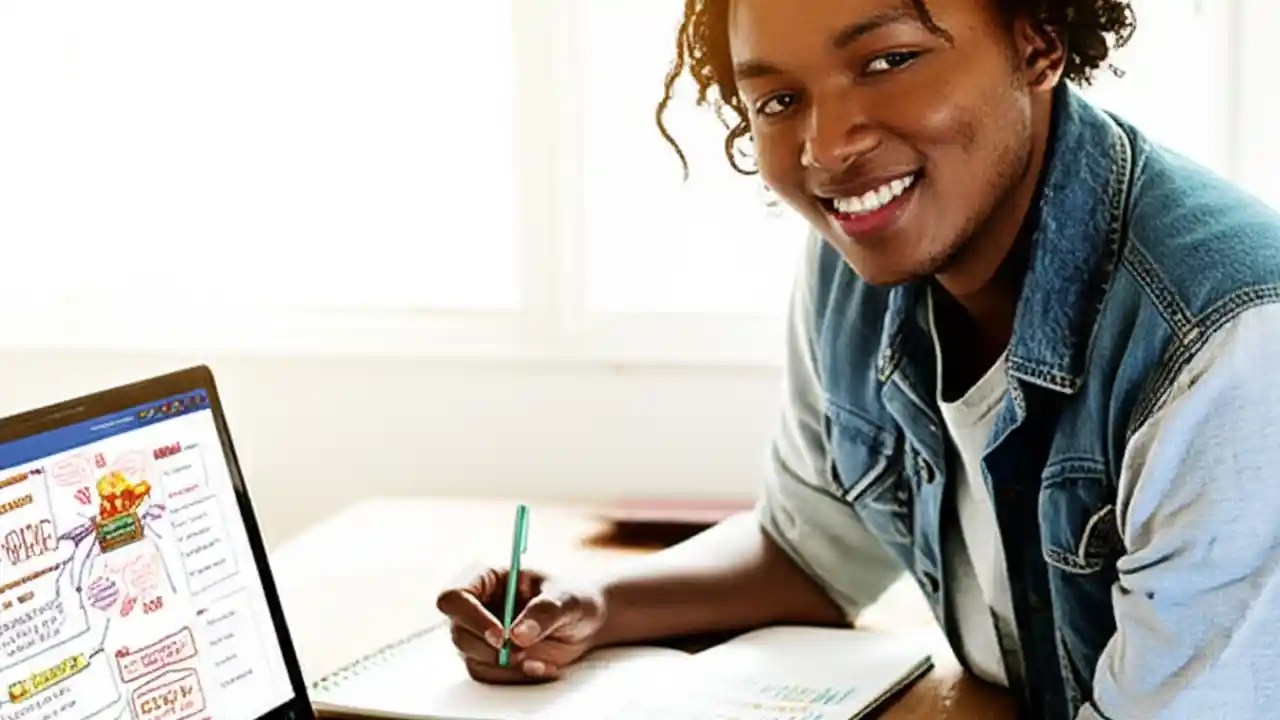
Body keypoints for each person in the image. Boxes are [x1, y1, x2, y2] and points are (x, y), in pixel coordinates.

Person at [435, 0, 1280, 717]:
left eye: (889, 60)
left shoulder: (1229, 348)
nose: (827, 147)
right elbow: (809, 551)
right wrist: (596, 604)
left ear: (1036, 40)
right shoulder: (865, 264)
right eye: (776, 101)